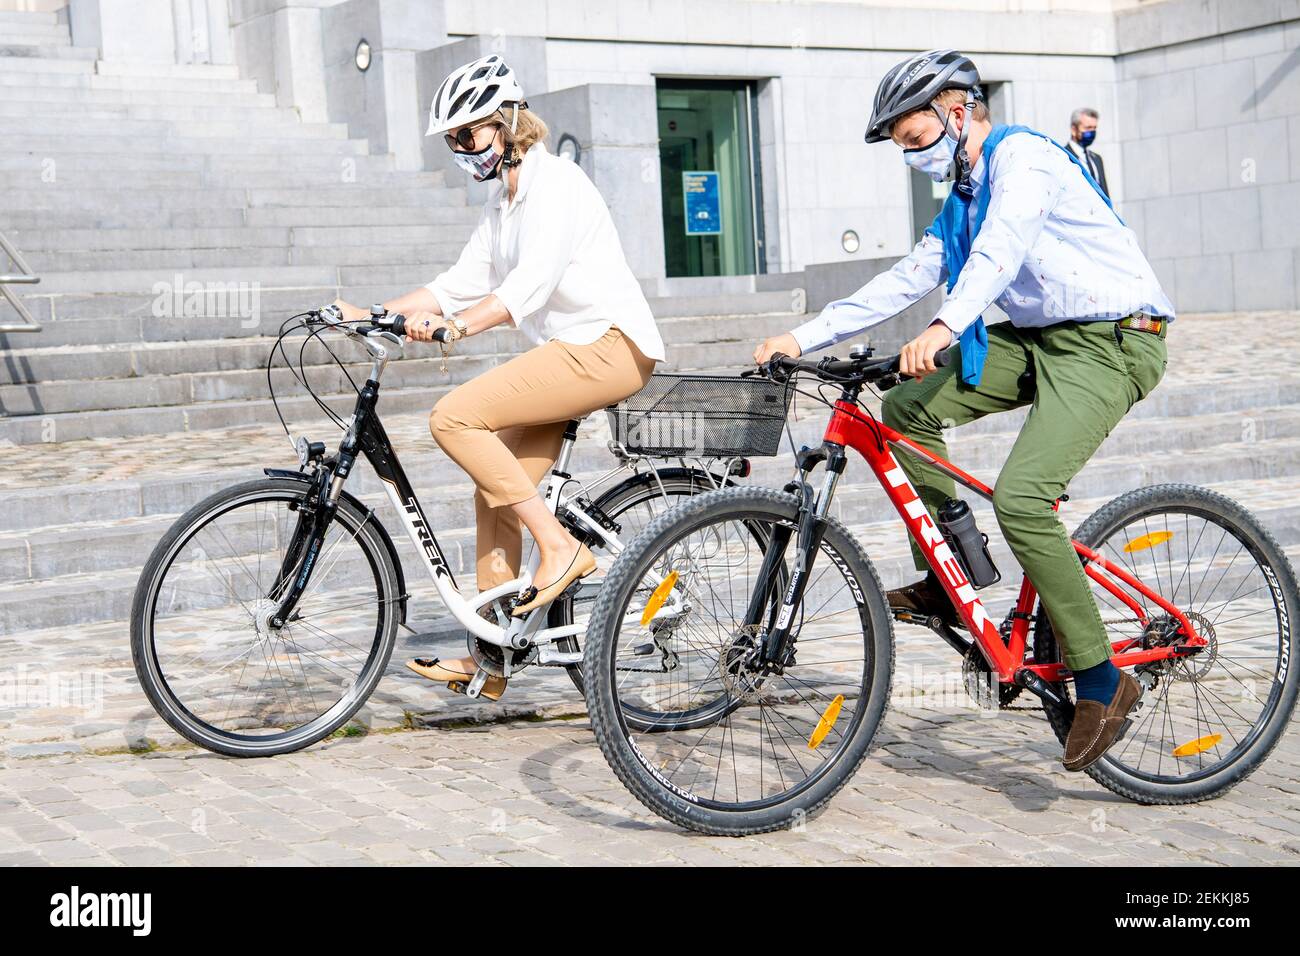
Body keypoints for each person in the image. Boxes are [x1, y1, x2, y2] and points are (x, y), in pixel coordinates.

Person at [754, 49, 1174, 772]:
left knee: (1022, 498)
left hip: (1113, 341)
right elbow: (908, 276)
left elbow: (1001, 254)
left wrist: (946, 326)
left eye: (913, 140)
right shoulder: (965, 197)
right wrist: (803, 335)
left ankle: (1103, 678)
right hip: (1039, 341)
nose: (910, 156)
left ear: (955, 111)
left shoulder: (1025, 163)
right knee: (908, 405)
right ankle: (947, 571)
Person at [335, 54, 665, 700]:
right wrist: (374, 312)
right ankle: (490, 658)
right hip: (569, 352)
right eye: (453, 140)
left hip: (610, 346)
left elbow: (526, 288)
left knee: (453, 417)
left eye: (469, 134)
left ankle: (560, 548)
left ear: (508, 122)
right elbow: (455, 284)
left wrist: (456, 329)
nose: (462, 149)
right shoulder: (503, 201)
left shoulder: (558, 185)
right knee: (494, 489)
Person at [1066, 106, 1108, 198]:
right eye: (1088, 128)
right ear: (1074, 129)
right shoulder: (1064, 156)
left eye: (1094, 128)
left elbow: (1105, 194)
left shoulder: (1096, 159)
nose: (1092, 132)